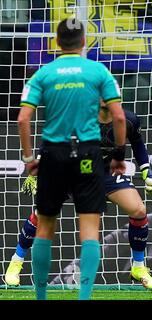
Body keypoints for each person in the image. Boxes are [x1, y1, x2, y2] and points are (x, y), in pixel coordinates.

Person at [17, 18, 127, 300]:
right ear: (82, 42)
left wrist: (30, 157)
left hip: (53, 153)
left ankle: (41, 297)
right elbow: (118, 116)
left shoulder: (43, 74)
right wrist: (118, 155)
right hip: (89, 154)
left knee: (45, 226)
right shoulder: (98, 71)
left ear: (56, 41)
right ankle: (84, 296)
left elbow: (23, 118)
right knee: (89, 228)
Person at [6, 102, 152, 289]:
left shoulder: (128, 120)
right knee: (42, 214)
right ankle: (16, 262)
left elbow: (137, 143)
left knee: (138, 209)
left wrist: (147, 174)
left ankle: (138, 267)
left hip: (104, 173)